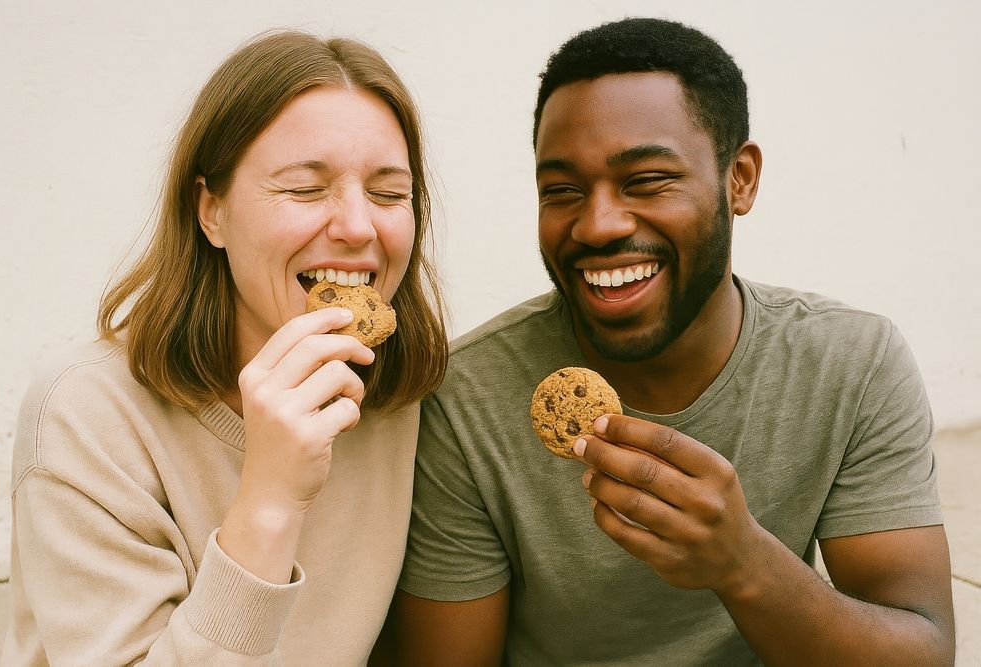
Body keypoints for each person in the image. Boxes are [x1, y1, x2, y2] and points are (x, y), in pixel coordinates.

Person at [391, 17, 955, 665]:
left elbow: (925, 651)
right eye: (563, 190)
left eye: (647, 180)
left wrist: (743, 563)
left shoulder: (853, 364)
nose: (598, 224)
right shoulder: (468, 399)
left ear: (739, 179)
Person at [1, 30, 446, 665]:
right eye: (304, 187)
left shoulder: (407, 401)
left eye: (388, 194)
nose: (356, 226)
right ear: (212, 210)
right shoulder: (86, 416)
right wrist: (269, 501)